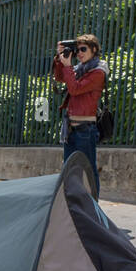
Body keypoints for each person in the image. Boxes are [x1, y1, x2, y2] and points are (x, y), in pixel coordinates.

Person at [52, 34, 107, 194]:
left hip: (85, 130)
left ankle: (93, 203)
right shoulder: (80, 70)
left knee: (88, 169)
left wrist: (68, 66)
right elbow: (61, 77)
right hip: (71, 129)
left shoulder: (98, 73)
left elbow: (75, 89)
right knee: (69, 169)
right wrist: (59, 58)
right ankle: (72, 201)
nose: (79, 53)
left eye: (83, 49)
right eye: (77, 50)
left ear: (94, 50)